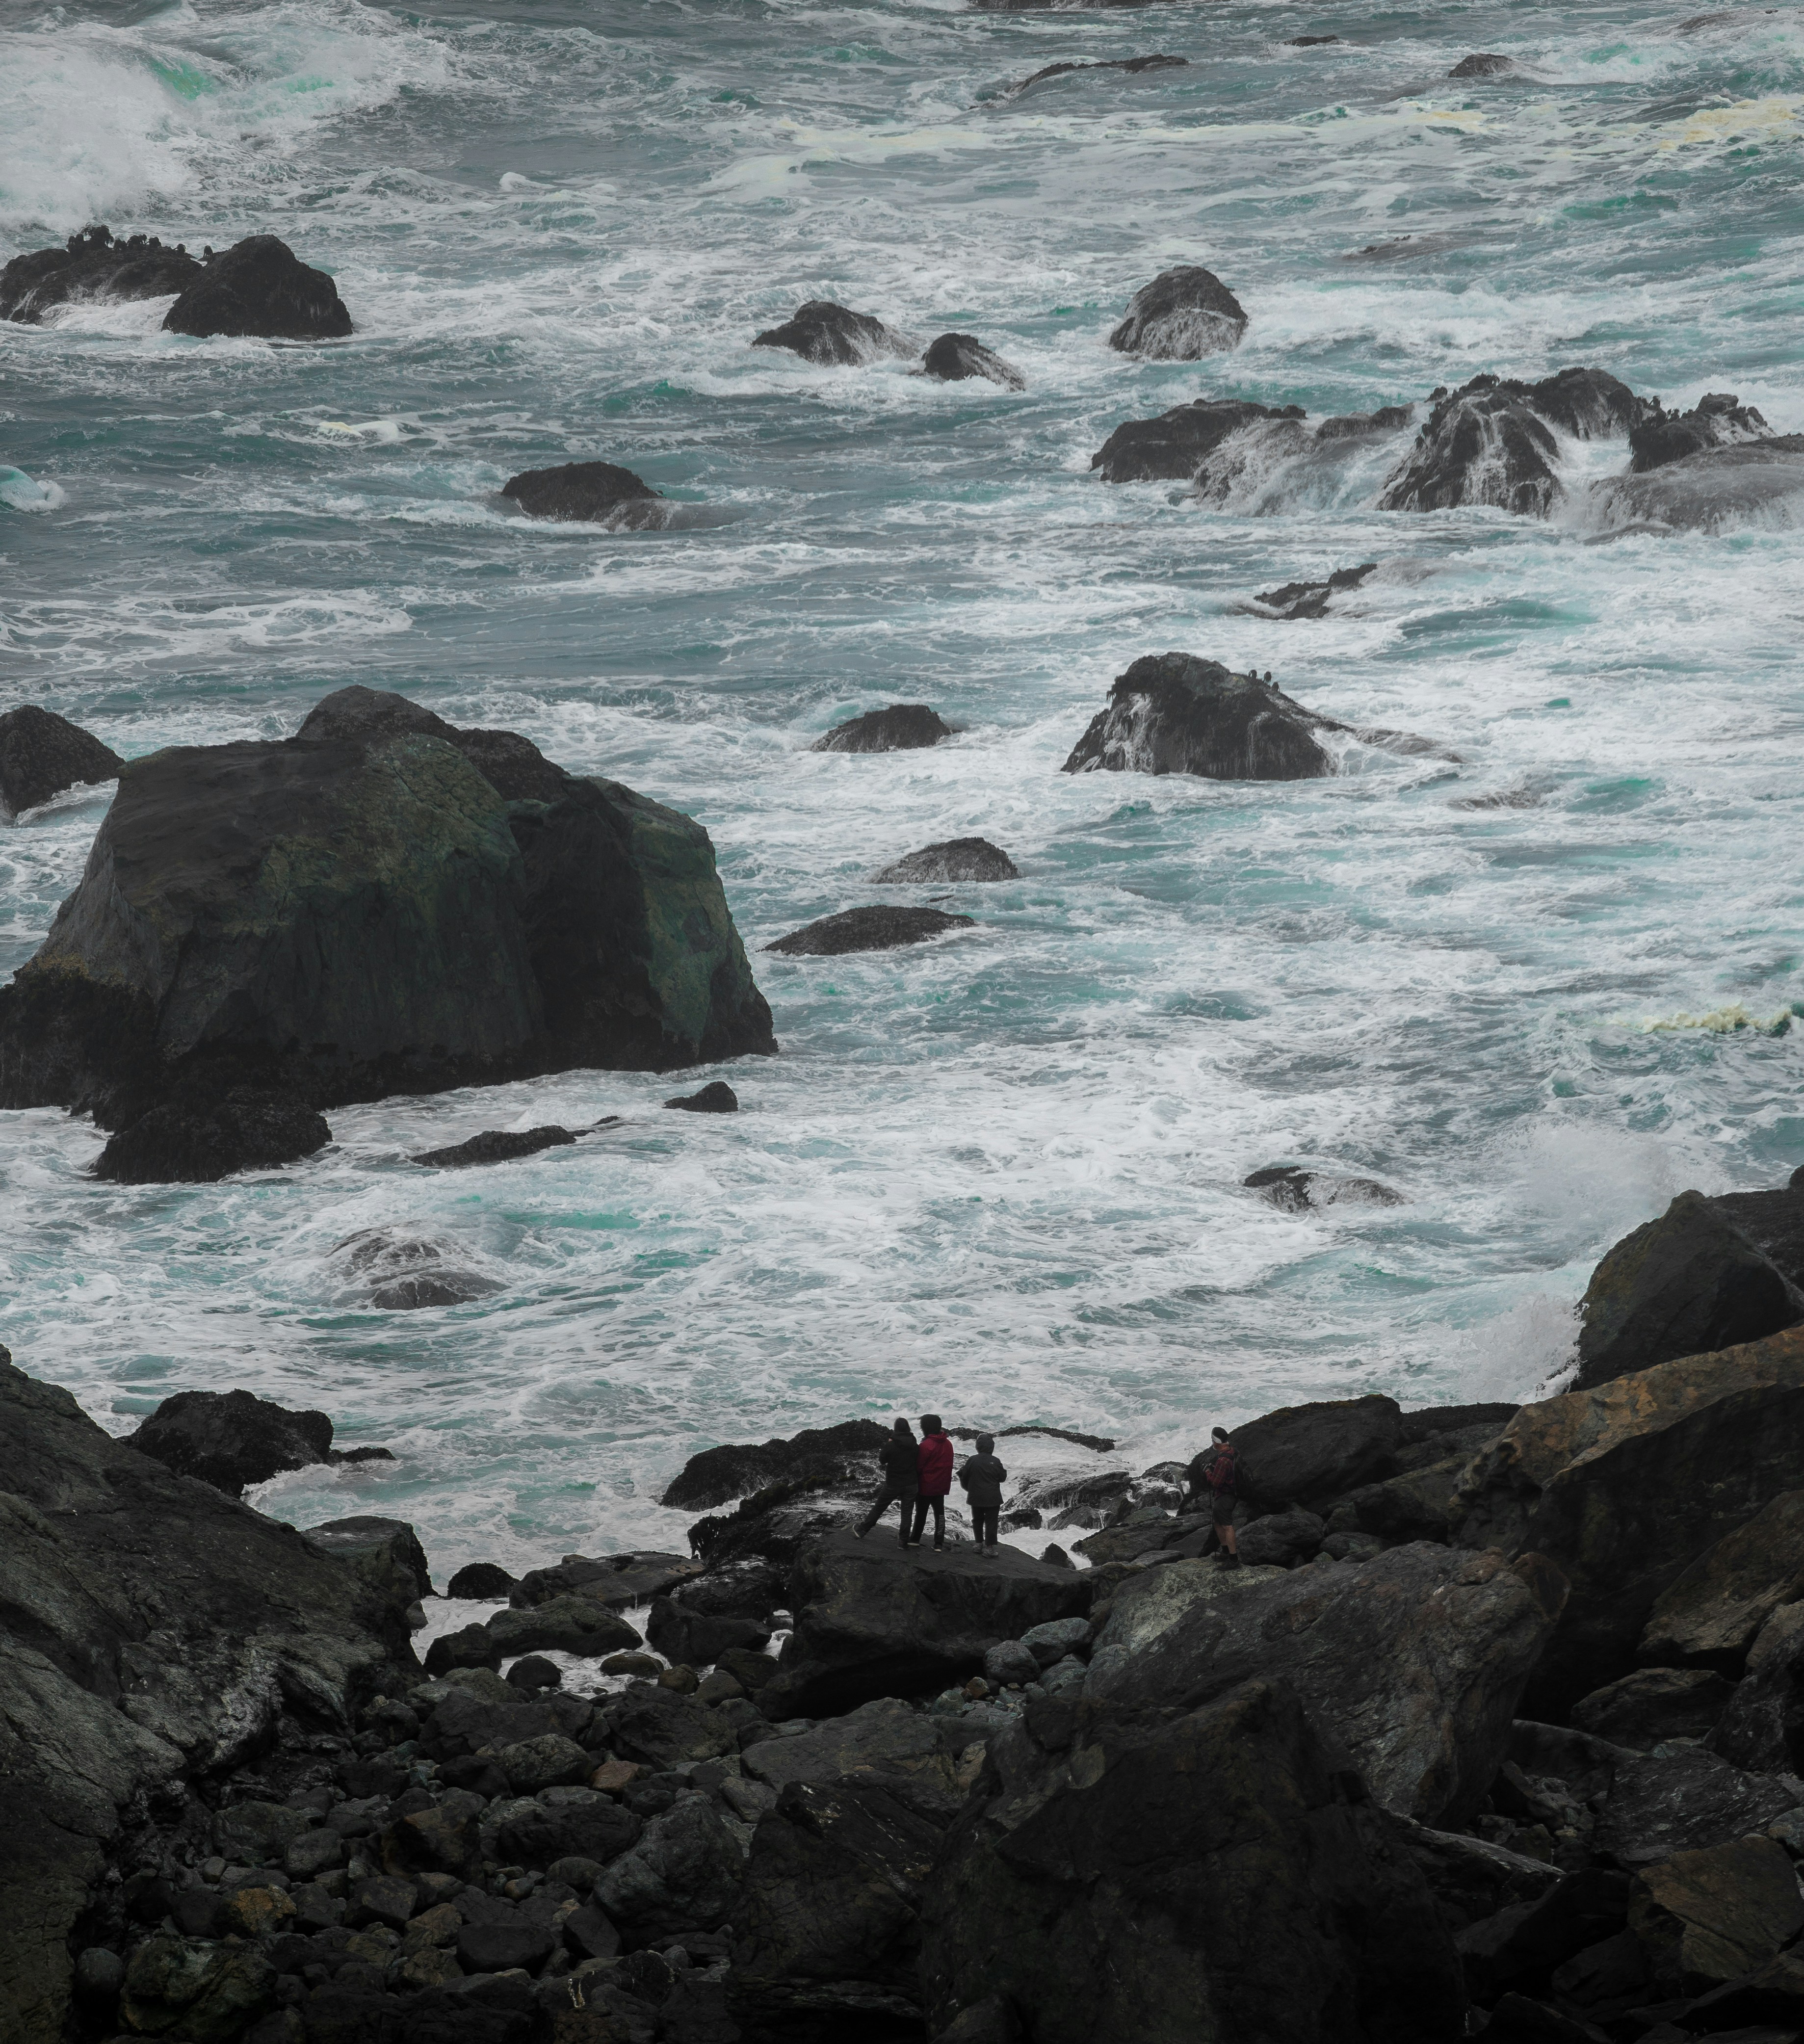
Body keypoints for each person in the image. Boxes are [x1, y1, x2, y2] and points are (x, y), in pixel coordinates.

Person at [854, 1417, 919, 1546]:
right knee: (907, 1513)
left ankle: (862, 1530)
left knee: (879, 1508)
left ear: (896, 1429)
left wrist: (889, 1444)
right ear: (908, 1429)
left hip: (894, 1483)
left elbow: (882, 1460)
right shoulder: (914, 1445)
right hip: (911, 1483)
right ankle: (903, 1541)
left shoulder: (892, 1444)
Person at [1185, 1425, 1240, 1564]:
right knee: (1217, 1522)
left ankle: (1234, 1559)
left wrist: (1208, 1472)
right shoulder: (1231, 1451)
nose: (1212, 1443)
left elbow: (1216, 1483)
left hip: (1226, 1496)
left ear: (1216, 1442)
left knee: (1227, 1526)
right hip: (1230, 1493)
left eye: (1212, 1440)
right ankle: (1226, 1551)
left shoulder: (1222, 1461)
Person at [911, 1414, 954, 1549]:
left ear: (926, 1428)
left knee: (921, 1513)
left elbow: (918, 1467)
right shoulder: (948, 1444)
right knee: (940, 1514)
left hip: (926, 1486)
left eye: (922, 1426)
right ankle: (939, 1543)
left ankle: (915, 1539)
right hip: (942, 1485)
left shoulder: (926, 1445)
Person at [958, 1434, 1007, 1551]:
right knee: (991, 1522)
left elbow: (964, 1477)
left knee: (977, 1520)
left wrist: (970, 1490)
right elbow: (1002, 1478)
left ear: (977, 1447)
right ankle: (989, 1548)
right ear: (992, 1448)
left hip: (976, 1497)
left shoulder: (972, 1460)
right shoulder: (995, 1461)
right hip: (993, 1498)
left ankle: (978, 1544)